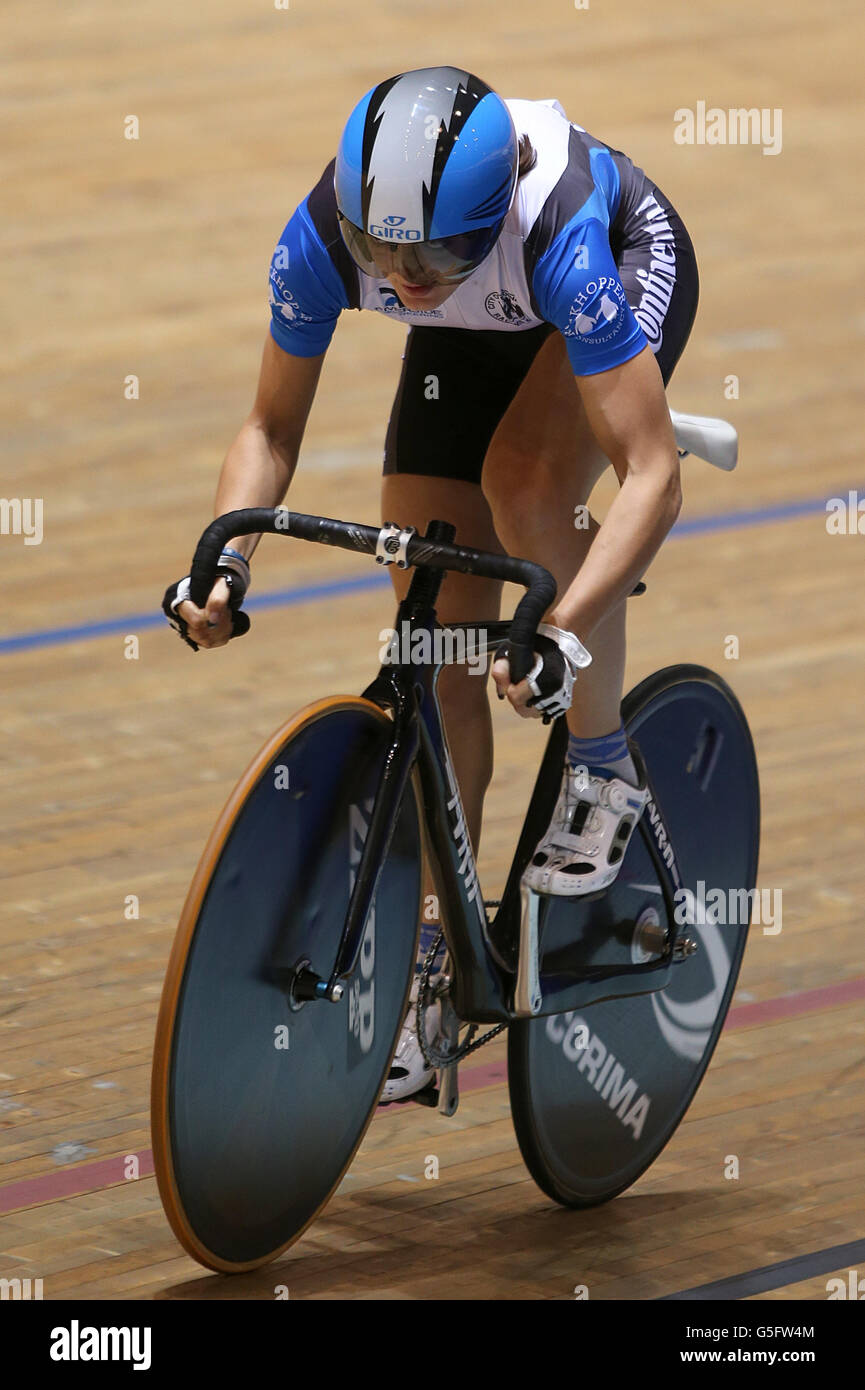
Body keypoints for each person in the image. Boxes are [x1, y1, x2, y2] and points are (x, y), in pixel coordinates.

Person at [163, 66, 699, 1101]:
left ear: (487, 218)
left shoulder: (565, 236)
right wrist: (225, 559)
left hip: (610, 272)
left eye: (431, 255)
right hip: (479, 322)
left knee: (524, 485)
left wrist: (563, 622)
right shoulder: (328, 233)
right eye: (383, 256)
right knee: (433, 623)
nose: (403, 282)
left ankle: (604, 769)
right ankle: (434, 968)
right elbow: (269, 428)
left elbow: (654, 473)